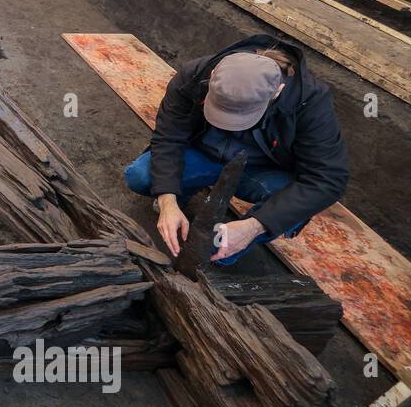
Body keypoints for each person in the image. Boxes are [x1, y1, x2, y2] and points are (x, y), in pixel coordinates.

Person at [123, 35, 349, 265]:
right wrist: (167, 199)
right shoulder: (194, 75)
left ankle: (241, 235)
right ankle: (182, 195)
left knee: (216, 251)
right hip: (205, 153)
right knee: (141, 176)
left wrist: (254, 226)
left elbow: (328, 179)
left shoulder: (310, 102)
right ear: (212, 78)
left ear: (277, 91)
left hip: (260, 170)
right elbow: (169, 137)